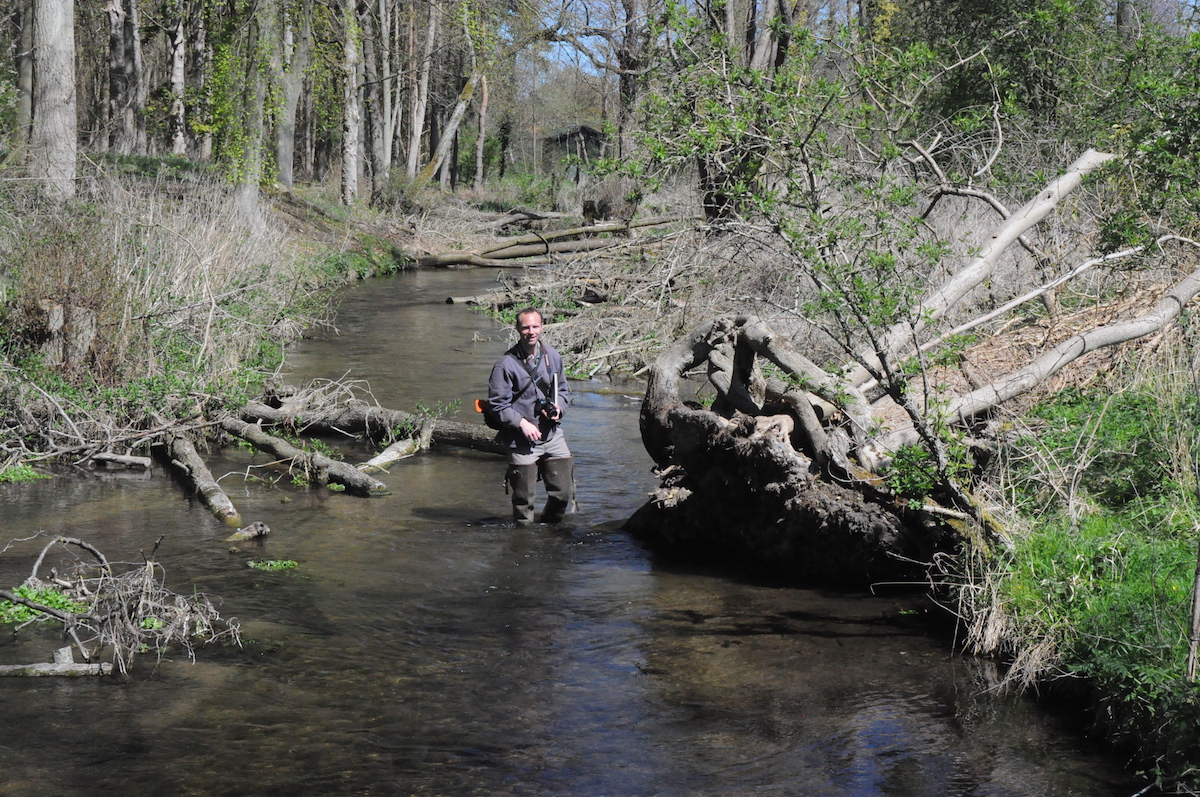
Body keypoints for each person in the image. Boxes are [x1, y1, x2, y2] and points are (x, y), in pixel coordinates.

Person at [486, 308, 575, 525]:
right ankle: (523, 544)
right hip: (521, 439)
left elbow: (563, 391)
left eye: (535, 326)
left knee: (563, 494)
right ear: (517, 329)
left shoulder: (552, 356)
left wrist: (558, 407)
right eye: (525, 327)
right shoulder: (504, 365)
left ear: (542, 327)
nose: (531, 331)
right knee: (524, 504)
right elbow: (497, 405)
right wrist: (522, 423)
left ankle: (550, 535)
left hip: (552, 435)